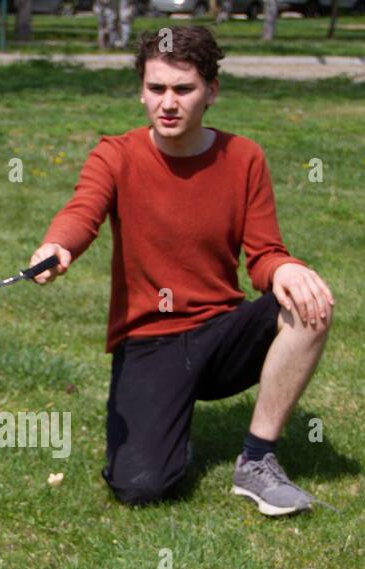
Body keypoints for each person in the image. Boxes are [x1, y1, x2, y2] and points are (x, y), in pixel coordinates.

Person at [29, 26, 334, 515]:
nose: (168, 103)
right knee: (140, 487)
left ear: (211, 91)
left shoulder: (244, 157)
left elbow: (263, 252)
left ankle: (257, 460)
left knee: (310, 306)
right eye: (156, 89)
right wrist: (57, 246)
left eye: (183, 89)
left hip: (220, 332)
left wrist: (286, 269)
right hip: (150, 340)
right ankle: (168, 428)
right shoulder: (117, 154)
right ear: (141, 90)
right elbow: (81, 211)